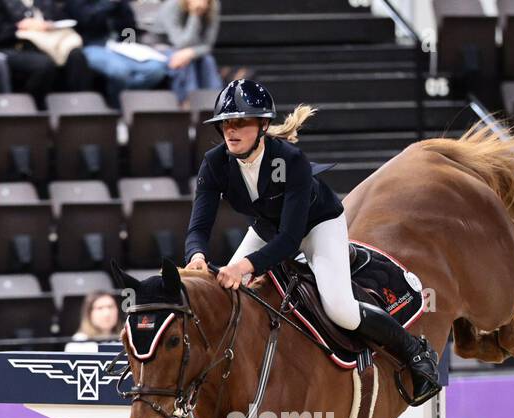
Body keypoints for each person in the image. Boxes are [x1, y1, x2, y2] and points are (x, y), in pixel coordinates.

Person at [184, 79, 440, 401]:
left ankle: (414, 351)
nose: (230, 131)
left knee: (341, 309)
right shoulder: (214, 163)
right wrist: (196, 255)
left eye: (240, 122)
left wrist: (243, 267)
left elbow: (290, 240)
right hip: (266, 228)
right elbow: (198, 228)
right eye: (225, 124)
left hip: (317, 227)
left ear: (262, 125)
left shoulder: (290, 160)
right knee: (229, 295)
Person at [0, 0, 89, 106]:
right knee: (44, 64)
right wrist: (19, 27)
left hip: (50, 42)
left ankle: (78, 107)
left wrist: (49, 24)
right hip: (15, 46)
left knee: (77, 57)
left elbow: (62, 17)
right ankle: (34, 111)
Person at [69, 0, 167, 106]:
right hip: (92, 46)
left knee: (156, 69)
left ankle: (128, 102)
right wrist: (108, 4)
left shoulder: (120, 3)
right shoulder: (79, 2)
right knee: (120, 71)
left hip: (121, 46)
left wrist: (130, 44)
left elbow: (130, 28)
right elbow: (86, 20)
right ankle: (119, 108)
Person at [154, 0, 217, 105]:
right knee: (184, 62)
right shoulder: (172, 5)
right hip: (163, 48)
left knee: (208, 60)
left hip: (192, 50)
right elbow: (182, 44)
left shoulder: (213, 4)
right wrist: (195, 15)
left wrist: (191, 53)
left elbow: (208, 45)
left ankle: (215, 106)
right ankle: (188, 106)